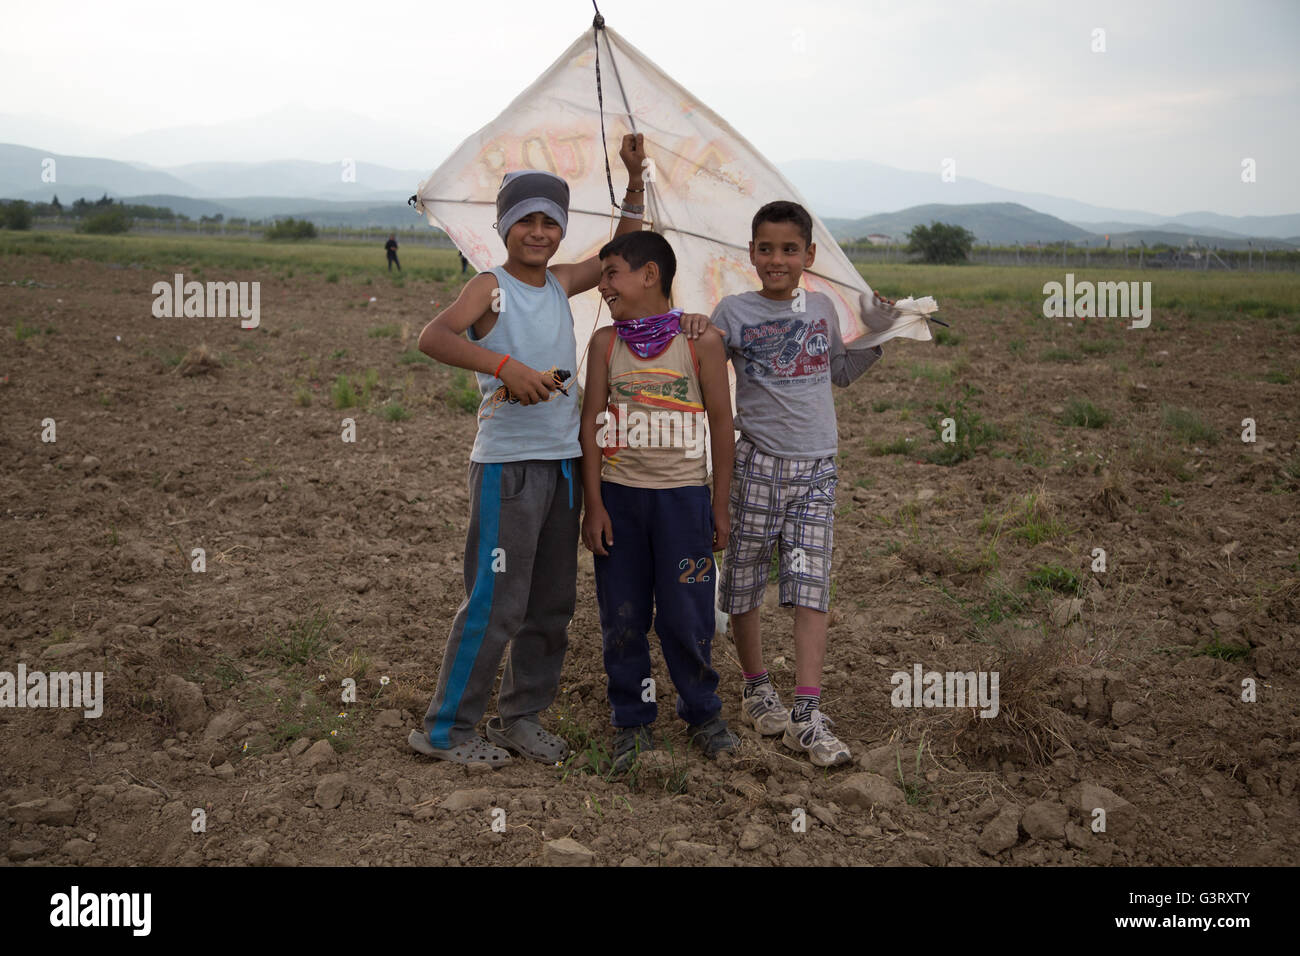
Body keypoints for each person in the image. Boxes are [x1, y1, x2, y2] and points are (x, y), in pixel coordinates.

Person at [407, 134, 653, 766]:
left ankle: (521, 717)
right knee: (495, 602)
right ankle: (445, 729)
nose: (538, 233)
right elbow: (433, 337)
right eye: (526, 222)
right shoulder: (491, 288)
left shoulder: (560, 284)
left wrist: (633, 181)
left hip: (563, 470)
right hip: (507, 473)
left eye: (550, 223)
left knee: (550, 603)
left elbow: (618, 252)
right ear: (504, 227)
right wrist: (505, 366)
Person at [707, 201, 884, 767]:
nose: (776, 259)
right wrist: (694, 328)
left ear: (809, 255)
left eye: (789, 250)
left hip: (817, 471)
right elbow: (706, 369)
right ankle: (756, 687)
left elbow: (841, 372)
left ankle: (806, 713)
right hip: (757, 466)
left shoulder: (824, 310)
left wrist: (881, 334)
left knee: (812, 587)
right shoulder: (732, 312)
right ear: (751, 252)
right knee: (744, 583)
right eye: (766, 248)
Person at [578, 230, 737, 772]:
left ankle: (702, 712)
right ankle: (633, 719)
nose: (602, 285)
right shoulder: (605, 344)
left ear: (650, 275)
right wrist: (593, 505)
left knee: (686, 614)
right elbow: (593, 426)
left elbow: (722, 426)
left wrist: (719, 506)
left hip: (684, 505)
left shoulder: (701, 343)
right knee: (621, 616)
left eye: (611, 272)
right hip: (621, 505)